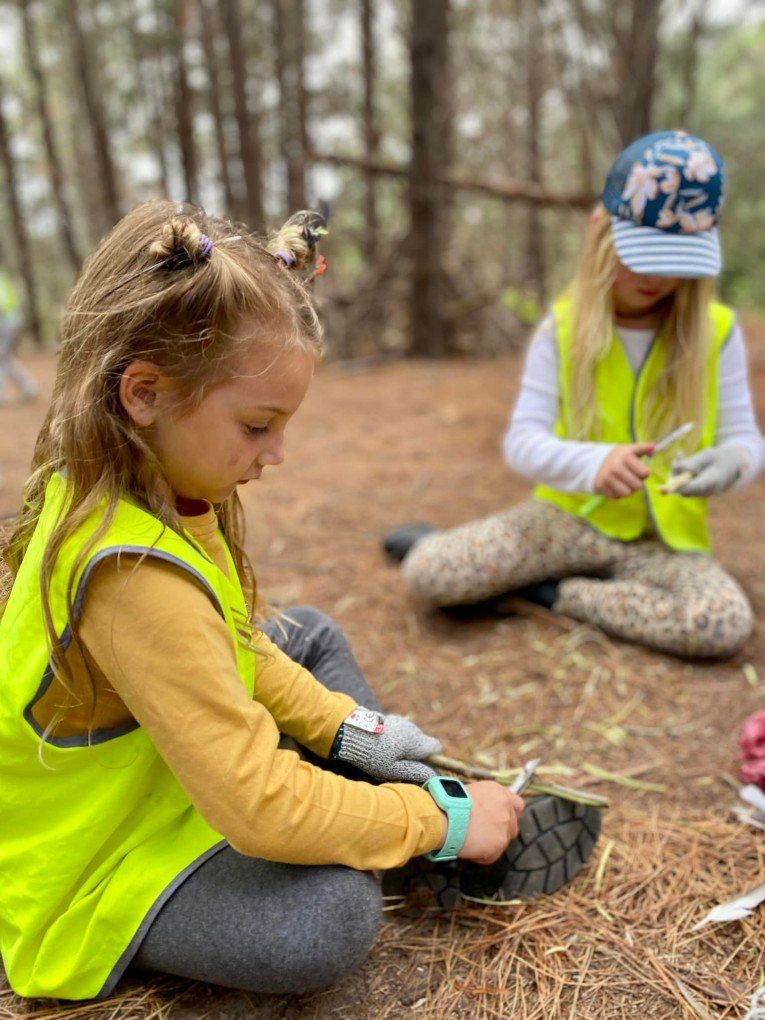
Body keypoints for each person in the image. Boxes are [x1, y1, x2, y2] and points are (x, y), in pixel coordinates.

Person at [0, 201, 600, 1002]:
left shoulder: (150, 481)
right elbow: (251, 803)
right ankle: (432, 829)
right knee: (327, 918)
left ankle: (384, 808)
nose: (276, 453)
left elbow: (238, 641)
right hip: (98, 852)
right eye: (257, 426)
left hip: (174, 765)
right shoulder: (131, 575)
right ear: (143, 393)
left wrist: (352, 732)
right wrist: (431, 826)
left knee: (306, 636)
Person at [385, 131, 764, 659]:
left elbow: (745, 439)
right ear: (600, 230)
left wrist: (735, 461)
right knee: (431, 574)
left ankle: (551, 593)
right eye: (644, 253)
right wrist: (592, 463)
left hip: (660, 546)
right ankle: (446, 546)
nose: (658, 275)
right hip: (568, 521)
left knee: (721, 622)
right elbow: (523, 442)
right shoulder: (560, 331)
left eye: (676, 259)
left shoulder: (717, 332)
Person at [0, 267, 37, 407]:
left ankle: (2, 395)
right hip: (11, 321)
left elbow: (2, 304)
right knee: (4, 357)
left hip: (7, 322)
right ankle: (28, 387)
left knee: (1, 356)